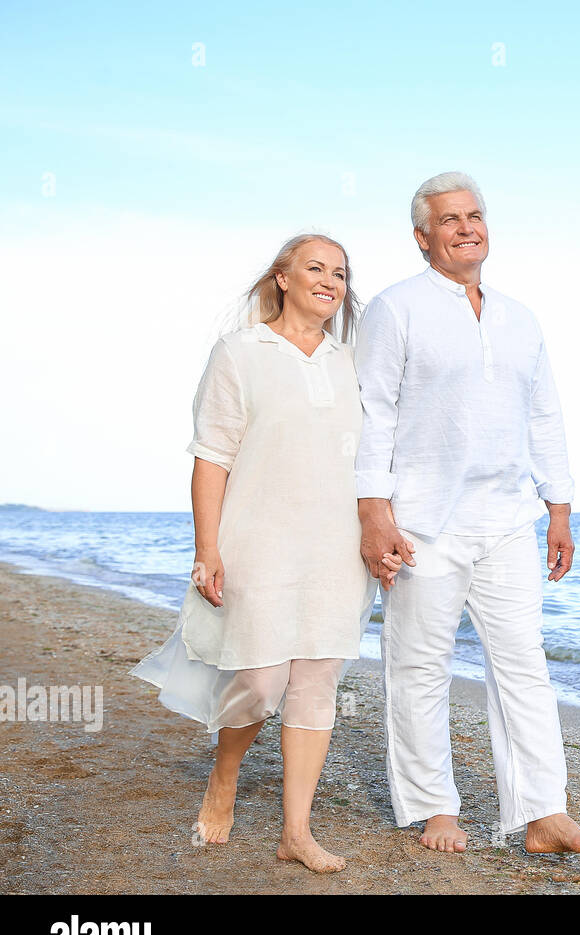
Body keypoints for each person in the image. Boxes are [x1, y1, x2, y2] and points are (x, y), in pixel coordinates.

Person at [354, 171, 580, 854]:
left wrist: (559, 506)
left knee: (524, 662)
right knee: (418, 666)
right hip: (421, 522)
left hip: (506, 520)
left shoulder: (520, 318)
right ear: (422, 237)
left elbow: (545, 415)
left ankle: (543, 812)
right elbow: (371, 412)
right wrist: (373, 511)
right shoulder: (395, 308)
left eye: (475, 215)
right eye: (450, 219)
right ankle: (435, 807)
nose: (467, 227)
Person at [130, 233, 401, 873]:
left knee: (314, 686)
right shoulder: (240, 352)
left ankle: (296, 832)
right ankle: (224, 775)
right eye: (315, 268)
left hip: (337, 550)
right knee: (257, 679)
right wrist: (207, 548)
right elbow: (212, 456)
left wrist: (382, 529)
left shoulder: (353, 363)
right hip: (257, 543)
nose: (330, 281)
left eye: (340, 272)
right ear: (282, 277)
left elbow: (379, 457)